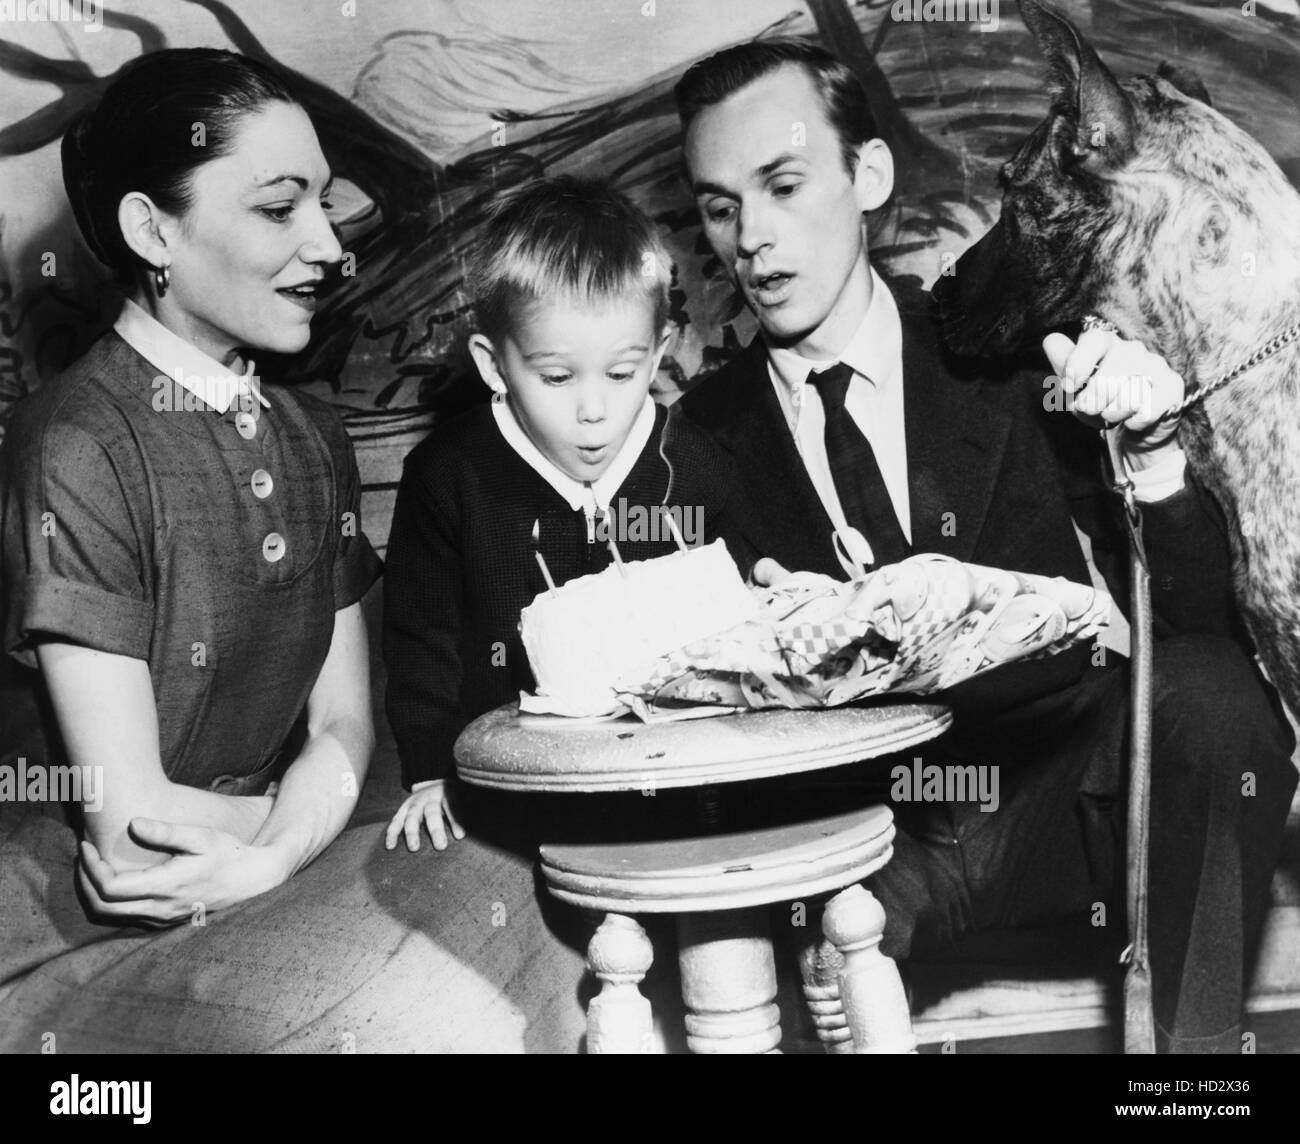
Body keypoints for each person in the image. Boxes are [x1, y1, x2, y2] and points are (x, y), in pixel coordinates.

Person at [672, 38, 1297, 1053]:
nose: (752, 237)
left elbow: (1200, 627)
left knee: (1217, 705)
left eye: (783, 184)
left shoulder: (1007, 341)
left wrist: (1151, 458)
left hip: (1062, 802)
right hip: (870, 841)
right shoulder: (692, 439)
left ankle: (1194, 1079)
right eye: (718, 205)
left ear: (867, 177)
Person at [0, 49, 591, 1054]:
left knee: (566, 887)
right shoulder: (78, 444)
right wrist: (300, 832)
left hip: (257, 872)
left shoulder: (310, 434)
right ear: (154, 230)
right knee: (427, 1011)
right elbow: (131, 827)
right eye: (279, 208)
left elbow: (347, 723)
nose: (329, 244)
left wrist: (275, 853)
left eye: (325, 201)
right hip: (72, 941)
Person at [382, 175, 740, 852]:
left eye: (622, 372)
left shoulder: (695, 466)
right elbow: (421, 645)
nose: (594, 411)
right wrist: (429, 772)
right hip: (508, 791)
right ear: (494, 365)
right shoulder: (448, 477)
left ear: (659, 352)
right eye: (556, 377)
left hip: (676, 781)